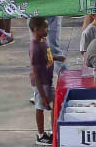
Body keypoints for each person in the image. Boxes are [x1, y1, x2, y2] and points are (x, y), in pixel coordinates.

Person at [28, 17, 55, 146]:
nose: (47, 30)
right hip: (41, 83)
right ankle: (40, 135)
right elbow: (35, 74)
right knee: (40, 107)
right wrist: (43, 95)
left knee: (55, 102)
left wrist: (58, 58)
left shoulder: (43, 41)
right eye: (44, 28)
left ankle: (52, 130)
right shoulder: (34, 48)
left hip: (48, 80)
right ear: (36, 30)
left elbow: (48, 57)